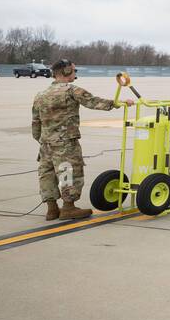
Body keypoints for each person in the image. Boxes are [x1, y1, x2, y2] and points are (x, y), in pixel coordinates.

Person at [32, 59, 133, 221]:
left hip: (46, 143)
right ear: (65, 72)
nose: (75, 73)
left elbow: (35, 123)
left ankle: (52, 209)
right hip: (65, 142)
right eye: (73, 71)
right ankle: (68, 208)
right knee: (68, 171)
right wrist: (118, 104)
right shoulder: (72, 90)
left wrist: (44, 140)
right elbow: (93, 102)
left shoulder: (41, 95)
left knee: (47, 174)